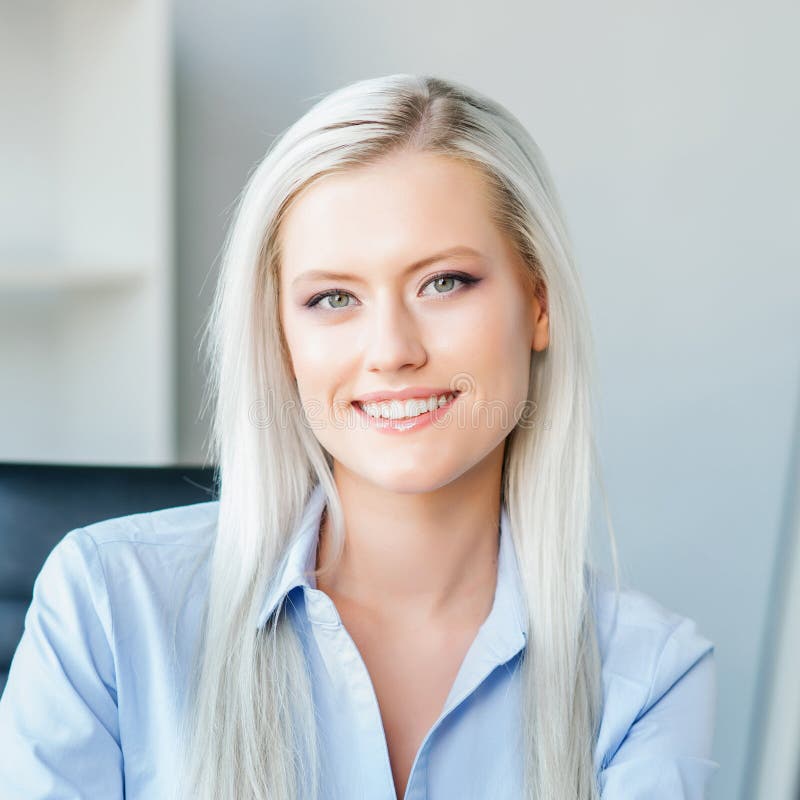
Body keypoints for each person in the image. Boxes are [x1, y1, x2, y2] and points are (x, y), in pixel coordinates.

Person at [0, 74, 718, 800]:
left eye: (443, 283)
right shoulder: (107, 607)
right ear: (280, 339)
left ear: (538, 303)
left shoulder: (647, 674)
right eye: (333, 298)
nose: (392, 350)